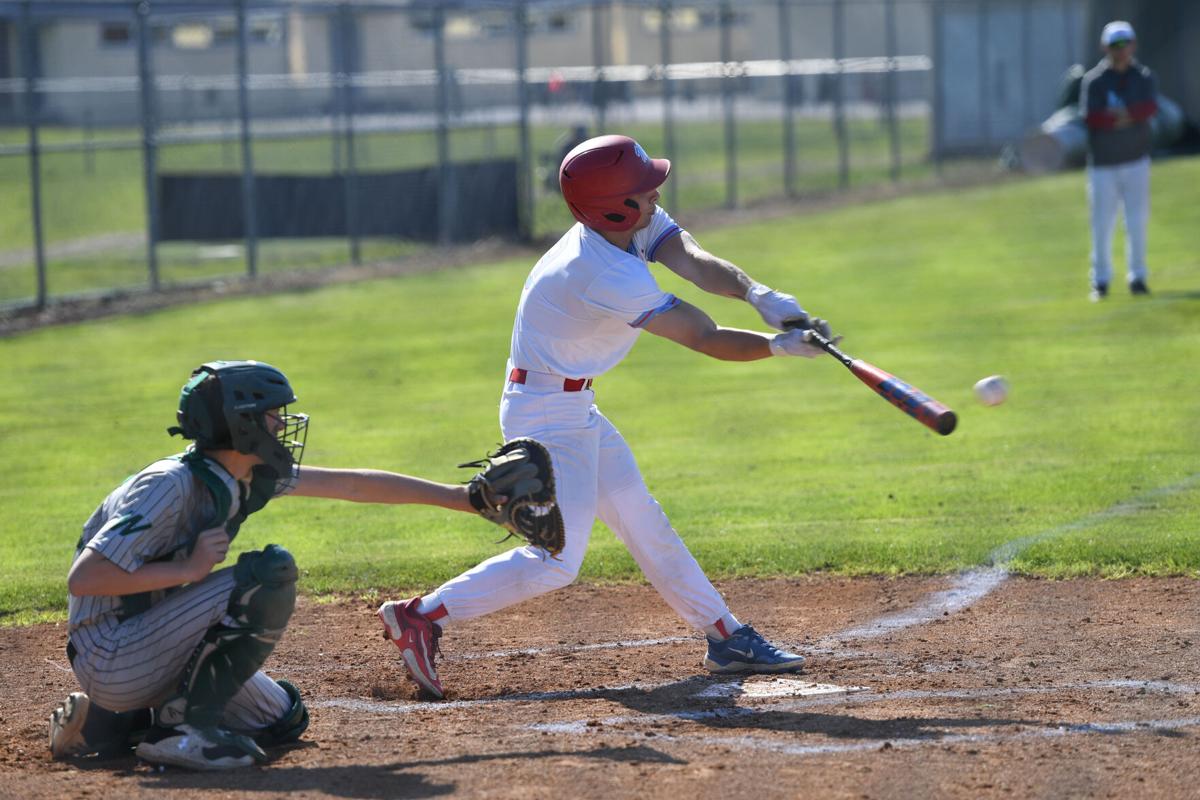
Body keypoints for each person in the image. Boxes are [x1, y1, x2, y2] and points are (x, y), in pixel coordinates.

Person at [378, 134, 833, 700]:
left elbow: (689, 257)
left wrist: (759, 293)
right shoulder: (600, 271)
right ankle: (422, 615)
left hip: (571, 404)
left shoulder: (622, 220)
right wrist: (778, 346)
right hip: (546, 414)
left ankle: (726, 636)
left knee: (642, 517)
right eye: (645, 188)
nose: (656, 191)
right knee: (556, 562)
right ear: (615, 206)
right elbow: (703, 335)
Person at [49, 360, 493, 770]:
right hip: (111, 650)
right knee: (267, 575)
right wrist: (187, 570)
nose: (281, 424)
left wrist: (463, 499)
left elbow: (354, 484)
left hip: (150, 644)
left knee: (283, 719)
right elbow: (85, 579)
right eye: (270, 415)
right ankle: (180, 730)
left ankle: (106, 725)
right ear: (239, 423)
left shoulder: (240, 473)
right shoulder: (170, 485)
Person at [1079, 20, 1157, 301]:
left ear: (1133, 45)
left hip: (1136, 160)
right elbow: (1093, 118)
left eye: (1125, 44)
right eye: (1115, 45)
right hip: (1103, 164)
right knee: (1102, 224)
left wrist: (1119, 116)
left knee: (1137, 221)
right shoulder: (1095, 80)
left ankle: (1138, 277)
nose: (1121, 51)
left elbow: (1147, 109)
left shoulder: (1143, 76)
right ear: (1105, 47)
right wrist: (1125, 117)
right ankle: (1100, 280)